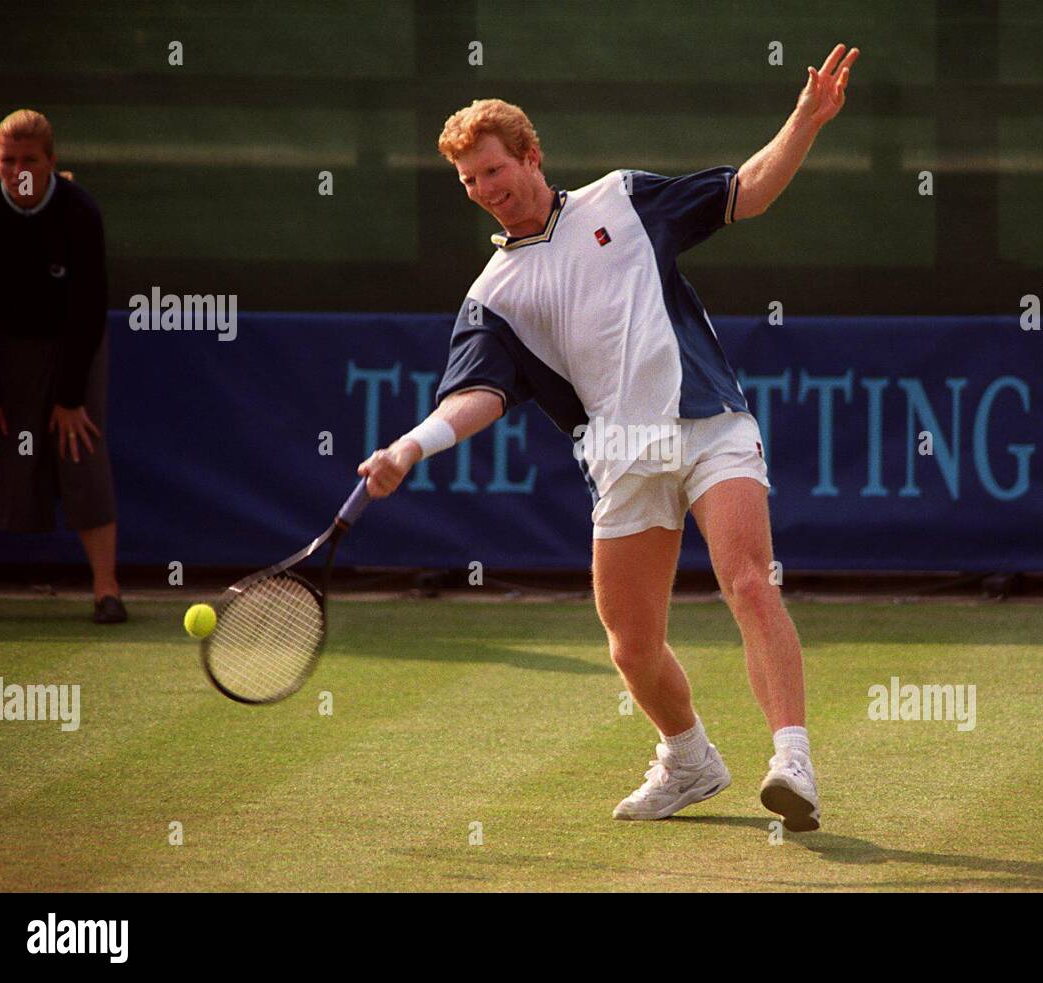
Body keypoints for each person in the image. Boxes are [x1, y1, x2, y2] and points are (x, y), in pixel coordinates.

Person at [360, 45, 860, 831]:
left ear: (530, 155)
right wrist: (410, 447)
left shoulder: (623, 199)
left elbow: (747, 192)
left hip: (708, 421)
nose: (486, 191)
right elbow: (479, 394)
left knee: (750, 581)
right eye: (469, 182)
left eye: (494, 170)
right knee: (631, 647)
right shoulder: (494, 296)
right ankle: (689, 759)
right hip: (623, 458)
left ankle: (792, 760)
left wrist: (805, 119)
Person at [0, 109, 126, 624]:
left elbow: (88, 310)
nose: (18, 170)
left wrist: (68, 399)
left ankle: (106, 591)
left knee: (81, 449)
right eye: (7, 160)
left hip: (70, 348)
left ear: (51, 163)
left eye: (29, 160)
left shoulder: (79, 211)